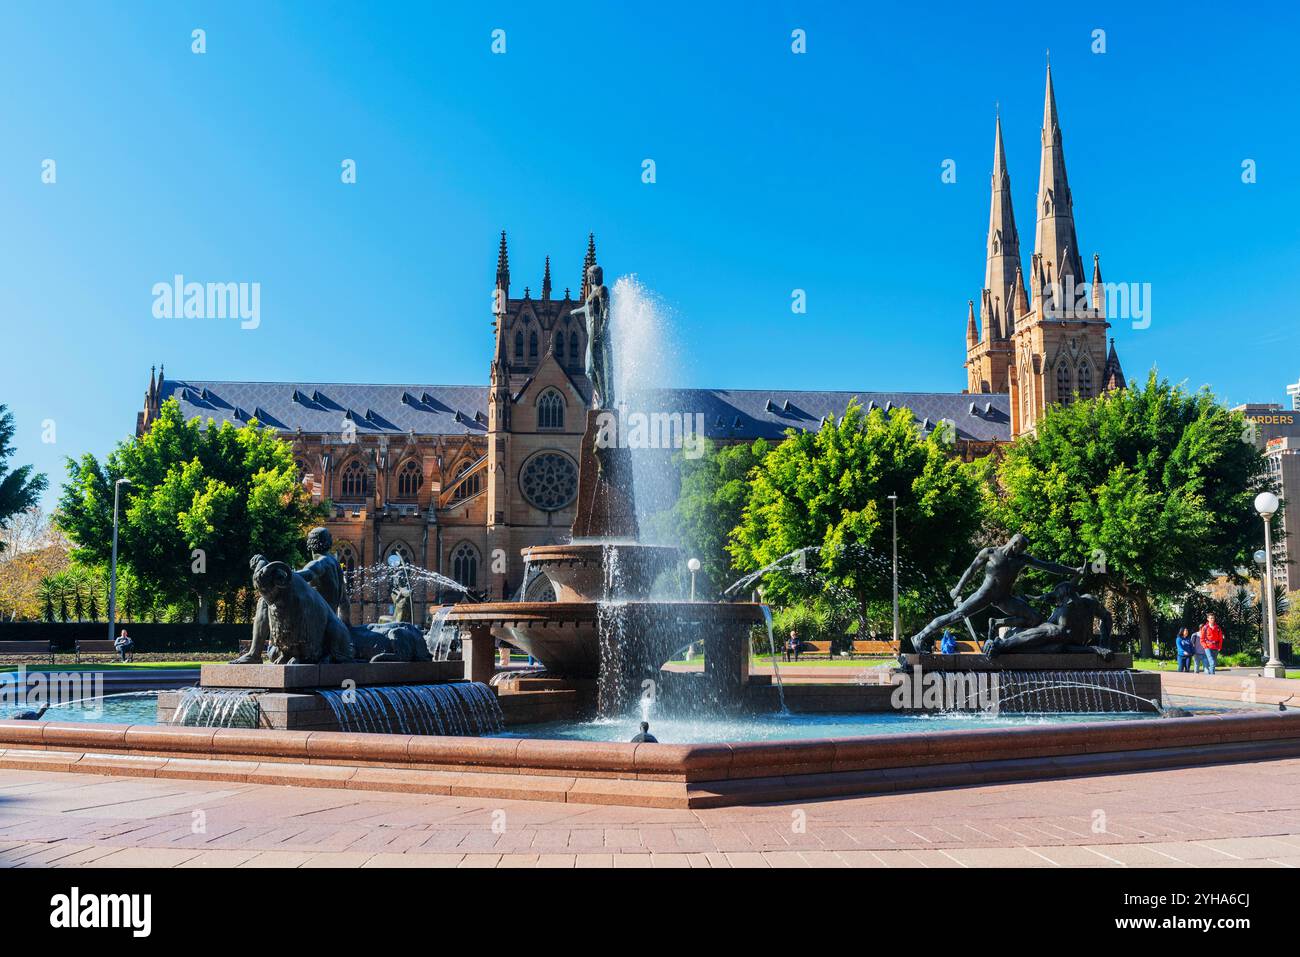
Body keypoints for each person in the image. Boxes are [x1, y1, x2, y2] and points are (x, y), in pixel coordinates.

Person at [909, 534, 1085, 653]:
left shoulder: (1022, 560)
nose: (1021, 551)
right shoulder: (990, 553)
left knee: (1035, 618)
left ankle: (1013, 641)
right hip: (985, 594)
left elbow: (1048, 566)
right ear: (1013, 543)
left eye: (1023, 549)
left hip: (1004, 598)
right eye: (1020, 548)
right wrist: (958, 589)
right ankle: (919, 636)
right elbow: (971, 571)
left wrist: (1073, 570)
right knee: (956, 615)